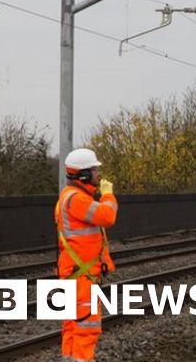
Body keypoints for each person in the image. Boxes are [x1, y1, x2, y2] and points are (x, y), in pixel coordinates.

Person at [56, 148, 118, 362]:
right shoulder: (77, 200)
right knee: (87, 329)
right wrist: (108, 195)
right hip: (81, 278)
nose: (98, 174)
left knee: (72, 327)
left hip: (75, 274)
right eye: (94, 170)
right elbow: (107, 216)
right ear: (83, 175)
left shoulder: (70, 196)